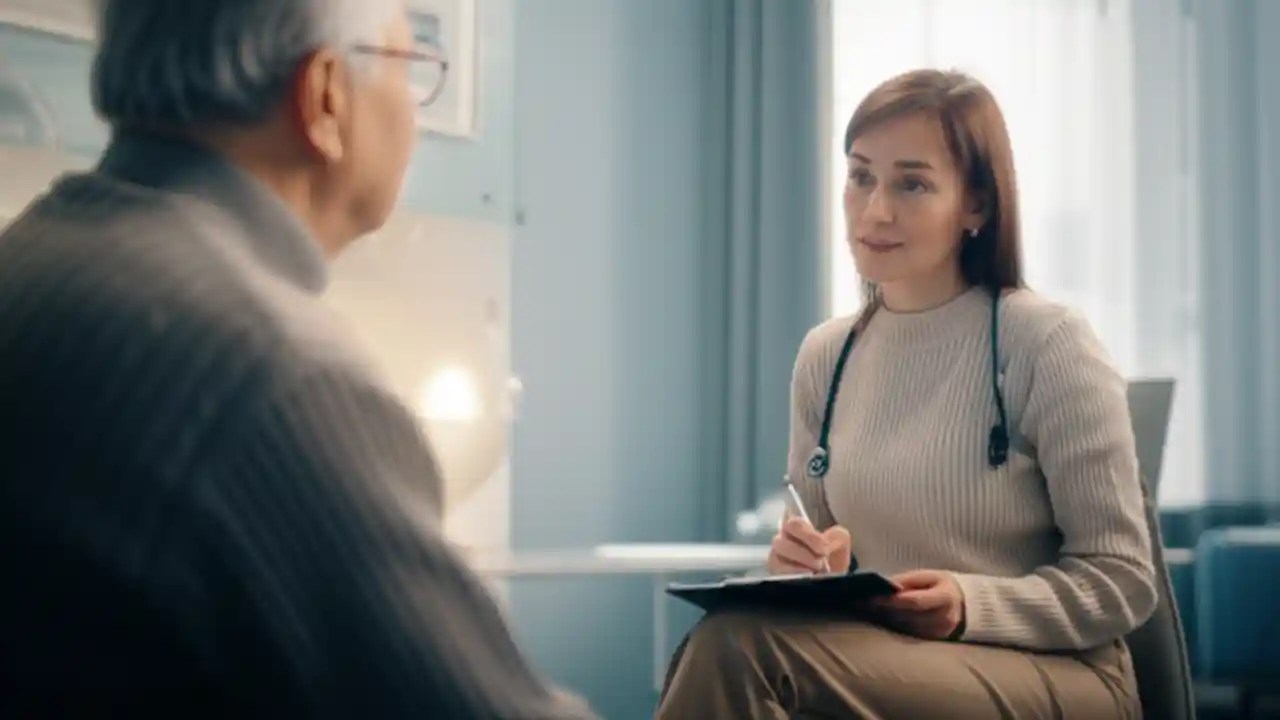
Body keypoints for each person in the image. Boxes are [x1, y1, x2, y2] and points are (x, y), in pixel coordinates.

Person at [0, 1, 594, 718]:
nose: (411, 113)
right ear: (325, 97)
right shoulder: (279, 379)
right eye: (411, 71)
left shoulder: (28, 268)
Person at [657, 69, 1158, 719]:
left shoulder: (1047, 342)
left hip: (1065, 674)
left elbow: (1122, 582)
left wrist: (969, 603)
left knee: (739, 652)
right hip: (893, 658)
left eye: (912, 184)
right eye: (861, 176)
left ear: (975, 205)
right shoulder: (826, 357)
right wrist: (803, 568)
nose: (875, 210)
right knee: (724, 644)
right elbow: (813, 552)